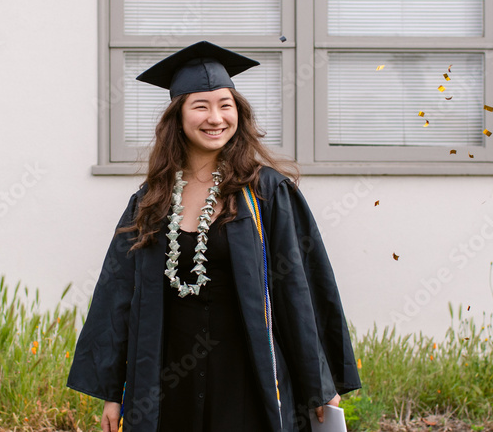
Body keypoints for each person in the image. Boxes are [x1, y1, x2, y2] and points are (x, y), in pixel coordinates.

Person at [67, 41, 361, 432]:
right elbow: (119, 296)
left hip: (249, 374)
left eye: (225, 105)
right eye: (201, 106)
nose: (216, 117)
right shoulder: (151, 201)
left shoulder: (266, 194)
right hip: (168, 379)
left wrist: (320, 385)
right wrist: (114, 393)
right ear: (178, 116)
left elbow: (299, 290)